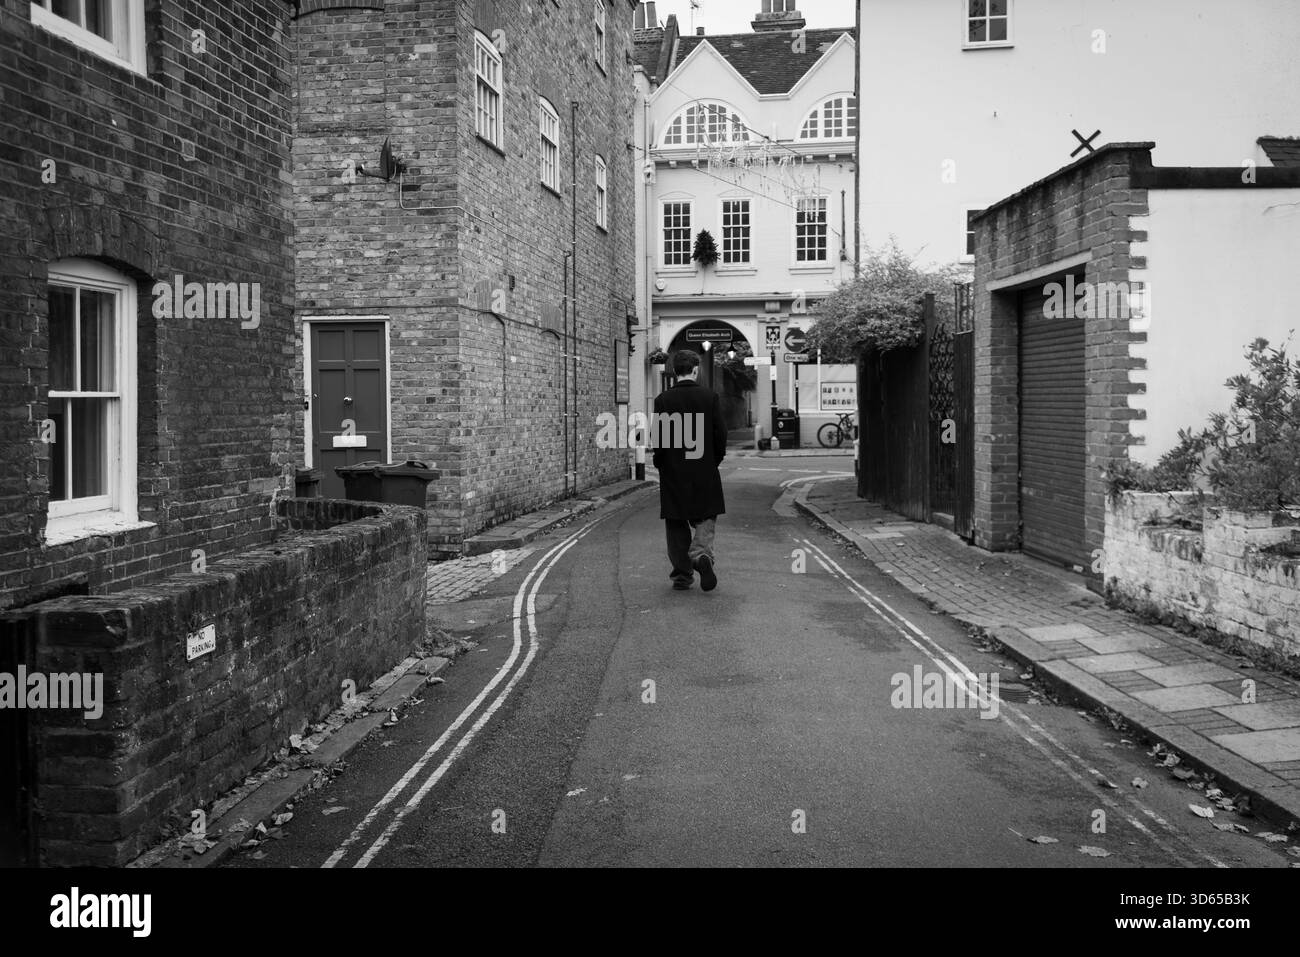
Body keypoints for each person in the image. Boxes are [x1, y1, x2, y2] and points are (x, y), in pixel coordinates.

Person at [652, 349, 727, 591]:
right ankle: (700, 555)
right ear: (696, 370)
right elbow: (720, 435)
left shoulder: (663, 400)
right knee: (706, 515)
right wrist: (714, 460)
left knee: (676, 522)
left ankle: (682, 575)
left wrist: (661, 462)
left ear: (675, 372)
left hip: (674, 471)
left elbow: (659, 439)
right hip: (704, 468)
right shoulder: (710, 397)